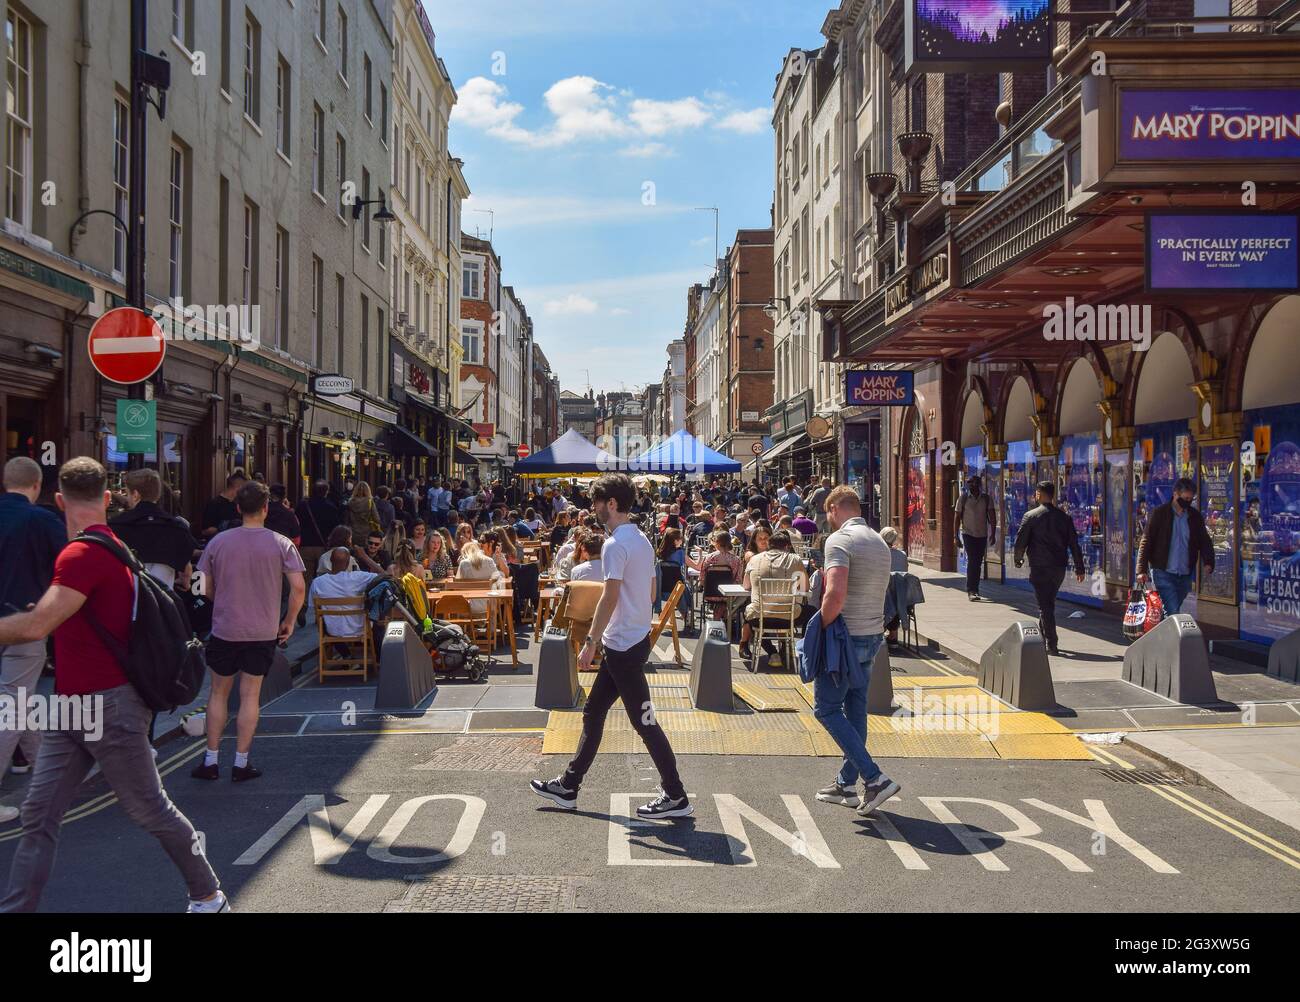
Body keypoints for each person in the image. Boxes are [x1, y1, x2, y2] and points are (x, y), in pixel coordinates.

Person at [0, 458, 226, 912]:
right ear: (107, 499)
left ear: (60, 501)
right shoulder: (114, 548)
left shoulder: (81, 555)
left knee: (150, 809)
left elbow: (36, 626)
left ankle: (208, 895)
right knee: (38, 816)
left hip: (109, 705)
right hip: (72, 706)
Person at [531, 473, 691, 819]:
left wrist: (590, 642)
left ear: (612, 504)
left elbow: (610, 595)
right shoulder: (642, 541)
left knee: (644, 721)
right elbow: (650, 593)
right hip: (632, 639)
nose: (593, 508)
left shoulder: (614, 544)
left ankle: (676, 794)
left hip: (621, 645)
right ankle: (569, 786)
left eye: (596, 502)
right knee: (594, 712)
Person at [193, 480, 306, 783]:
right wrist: (289, 620)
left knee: (218, 694)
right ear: (266, 509)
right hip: (262, 630)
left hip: (225, 627)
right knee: (250, 697)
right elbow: (297, 587)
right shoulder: (281, 543)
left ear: (238, 508)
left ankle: (211, 760)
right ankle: (241, 763)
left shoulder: (218, 542)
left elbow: (199, 583)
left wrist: (219, 600)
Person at [812, 486, 901, 817]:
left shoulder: (839, 541)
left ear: (835, 508)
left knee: (826, 709)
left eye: (827, 512)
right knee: (855, 709)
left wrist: (818, 628)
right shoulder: (879, 541)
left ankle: (874, 777)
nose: (828, 519)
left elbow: (834, 594)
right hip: (872, 636)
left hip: (843, 638)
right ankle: (845, 784)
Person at [0, 458, 67, 814]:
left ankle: (47, 778)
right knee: (12, 702)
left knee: (19, 701)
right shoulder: (42, 520)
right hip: (24, 622)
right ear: (37, 486)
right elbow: (67, 566)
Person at [1013, 481, 1085, 657]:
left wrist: (1018, 559)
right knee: (1047, 603)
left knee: (1045, 606)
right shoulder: (1064, 518)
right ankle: (1042, 638)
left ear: (1039, 494)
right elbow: (1074, 545)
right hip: (1058, 569)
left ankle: (1051, 644)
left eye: (1037, 492)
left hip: (1039, 567)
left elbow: (1020, 541)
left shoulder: (1030, 516)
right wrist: (1079, 568)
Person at [1136, 477, 1214, 619]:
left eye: (1191, 499)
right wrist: (1141, 570)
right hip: (1163, 571)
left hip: (1184, 574)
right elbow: (1146, 541)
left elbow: (1204, 540)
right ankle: (1175, 641)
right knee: (1172, 611)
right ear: (1176, 494)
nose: (1188, 502)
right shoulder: (1159, 514)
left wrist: (1208, 561)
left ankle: (1160, 634)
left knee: (1171, 609)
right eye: (1185, 498)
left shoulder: (1194, 517)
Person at [106, 468, 195, 593]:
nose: (127, 498)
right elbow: (186, 572)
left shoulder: (115, 526)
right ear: (157, 495)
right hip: (162, 603)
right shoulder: (177, 527)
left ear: (135, 495)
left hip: (125, 600)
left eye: (128, 493)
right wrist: (183, 582)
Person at [738, 529, 808, 665]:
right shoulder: (795, 559)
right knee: (812, 612)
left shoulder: (754, 559)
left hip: (759, 617)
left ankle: (771, 651)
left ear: (769, 544)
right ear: (787, 546)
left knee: (749, 612)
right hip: (789, 618)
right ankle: (805, 650)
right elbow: (805, 588)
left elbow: (746, 585)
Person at [308, 548, 381, 648]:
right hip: (360, 629)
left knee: (323, 621)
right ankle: (376, 659)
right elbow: (386, 575)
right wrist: (364, 557)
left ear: (330, 560)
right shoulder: (358, 578)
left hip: (333, 631)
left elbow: (313, 609)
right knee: (378, 619)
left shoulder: (317, 582)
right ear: (348, 564)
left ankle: (346, 655)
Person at [954, 474, 997, 601]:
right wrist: (955, 536)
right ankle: (972, 590)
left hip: (982, 534)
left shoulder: (986, 499)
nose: (972, 486)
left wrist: (993, 534)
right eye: (970, 484)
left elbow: (992, 517)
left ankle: (975, 588)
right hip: (968, 534)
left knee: (977, 563)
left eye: (974, 484)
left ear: (979, 485)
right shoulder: (963, 498)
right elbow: (957, 517)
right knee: (973, 561)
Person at [295, 480, 341, 592]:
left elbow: (296, 521)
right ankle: (320, 600)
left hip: (305, 545)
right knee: (323, 576)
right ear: (326, 491)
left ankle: (305, 602)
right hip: (323, 546)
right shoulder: (331, 507)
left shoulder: (303, 505)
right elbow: (335, 528)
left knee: (305, 577)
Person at [200, 472, 247, 539]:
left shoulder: (239, 504)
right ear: (239, 487)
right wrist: (225, 527)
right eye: (244, 489)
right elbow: (205, 531)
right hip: (219, 543)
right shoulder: (214, 504)